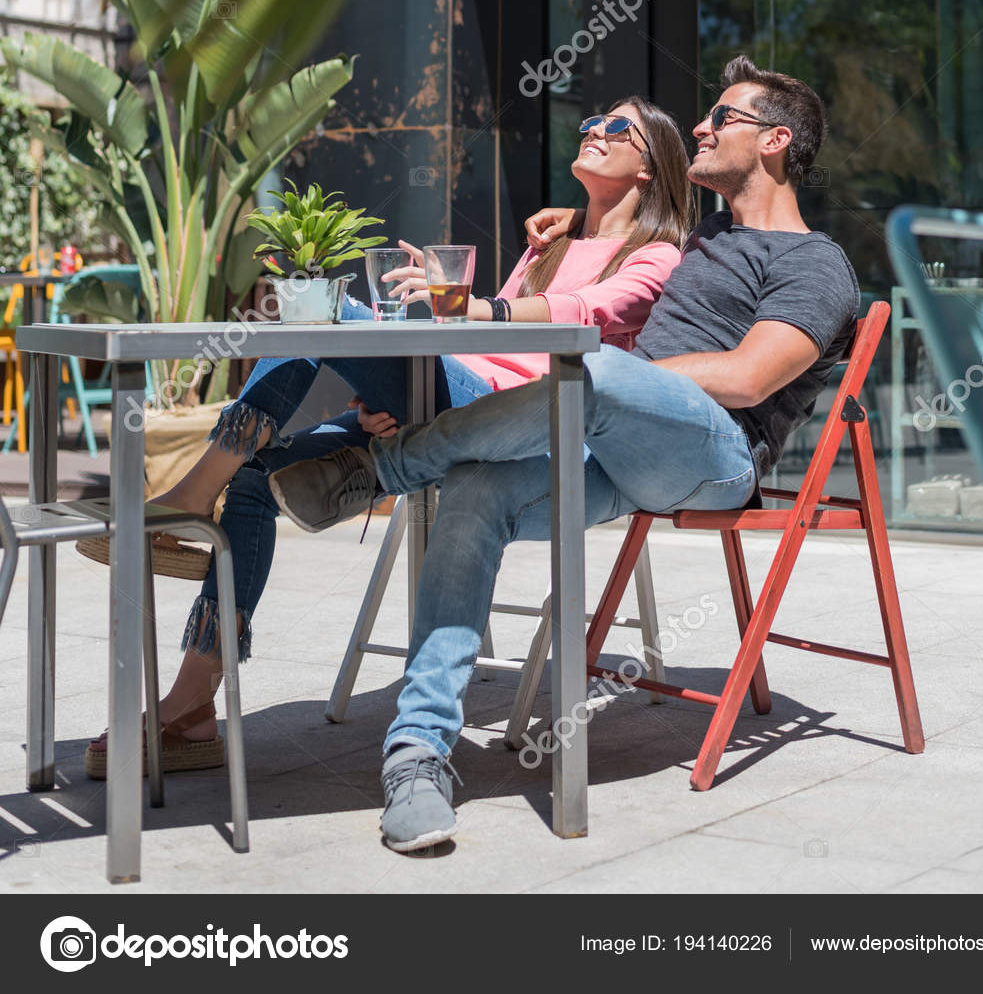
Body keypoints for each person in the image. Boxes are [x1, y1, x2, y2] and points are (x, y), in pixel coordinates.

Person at [266, 55, 860, 852]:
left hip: (714, 460)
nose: (701, 129)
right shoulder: (707, 239)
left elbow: (750, 379)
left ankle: (383, 470)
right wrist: (573, 222)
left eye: (723, 119)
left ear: (777, 141)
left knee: (596, 369)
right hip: (615, 444)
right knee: (475, 489)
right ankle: (418, 754)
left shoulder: (814, 264)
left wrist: (616, 379)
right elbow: (627, 250)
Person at [84, 96, 693, 777]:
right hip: (449, 399)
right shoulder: (547, 247)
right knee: (257, 477)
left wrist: (453, 307)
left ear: (650, 165)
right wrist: (401, 363)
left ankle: (190, 496)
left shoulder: (658, 257)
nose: (593, 133)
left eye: (616, 128)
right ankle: (191, 710)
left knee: (319, 309)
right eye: (589, 124)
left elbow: (574, 318)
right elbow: (484, 334)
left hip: (520, 423)